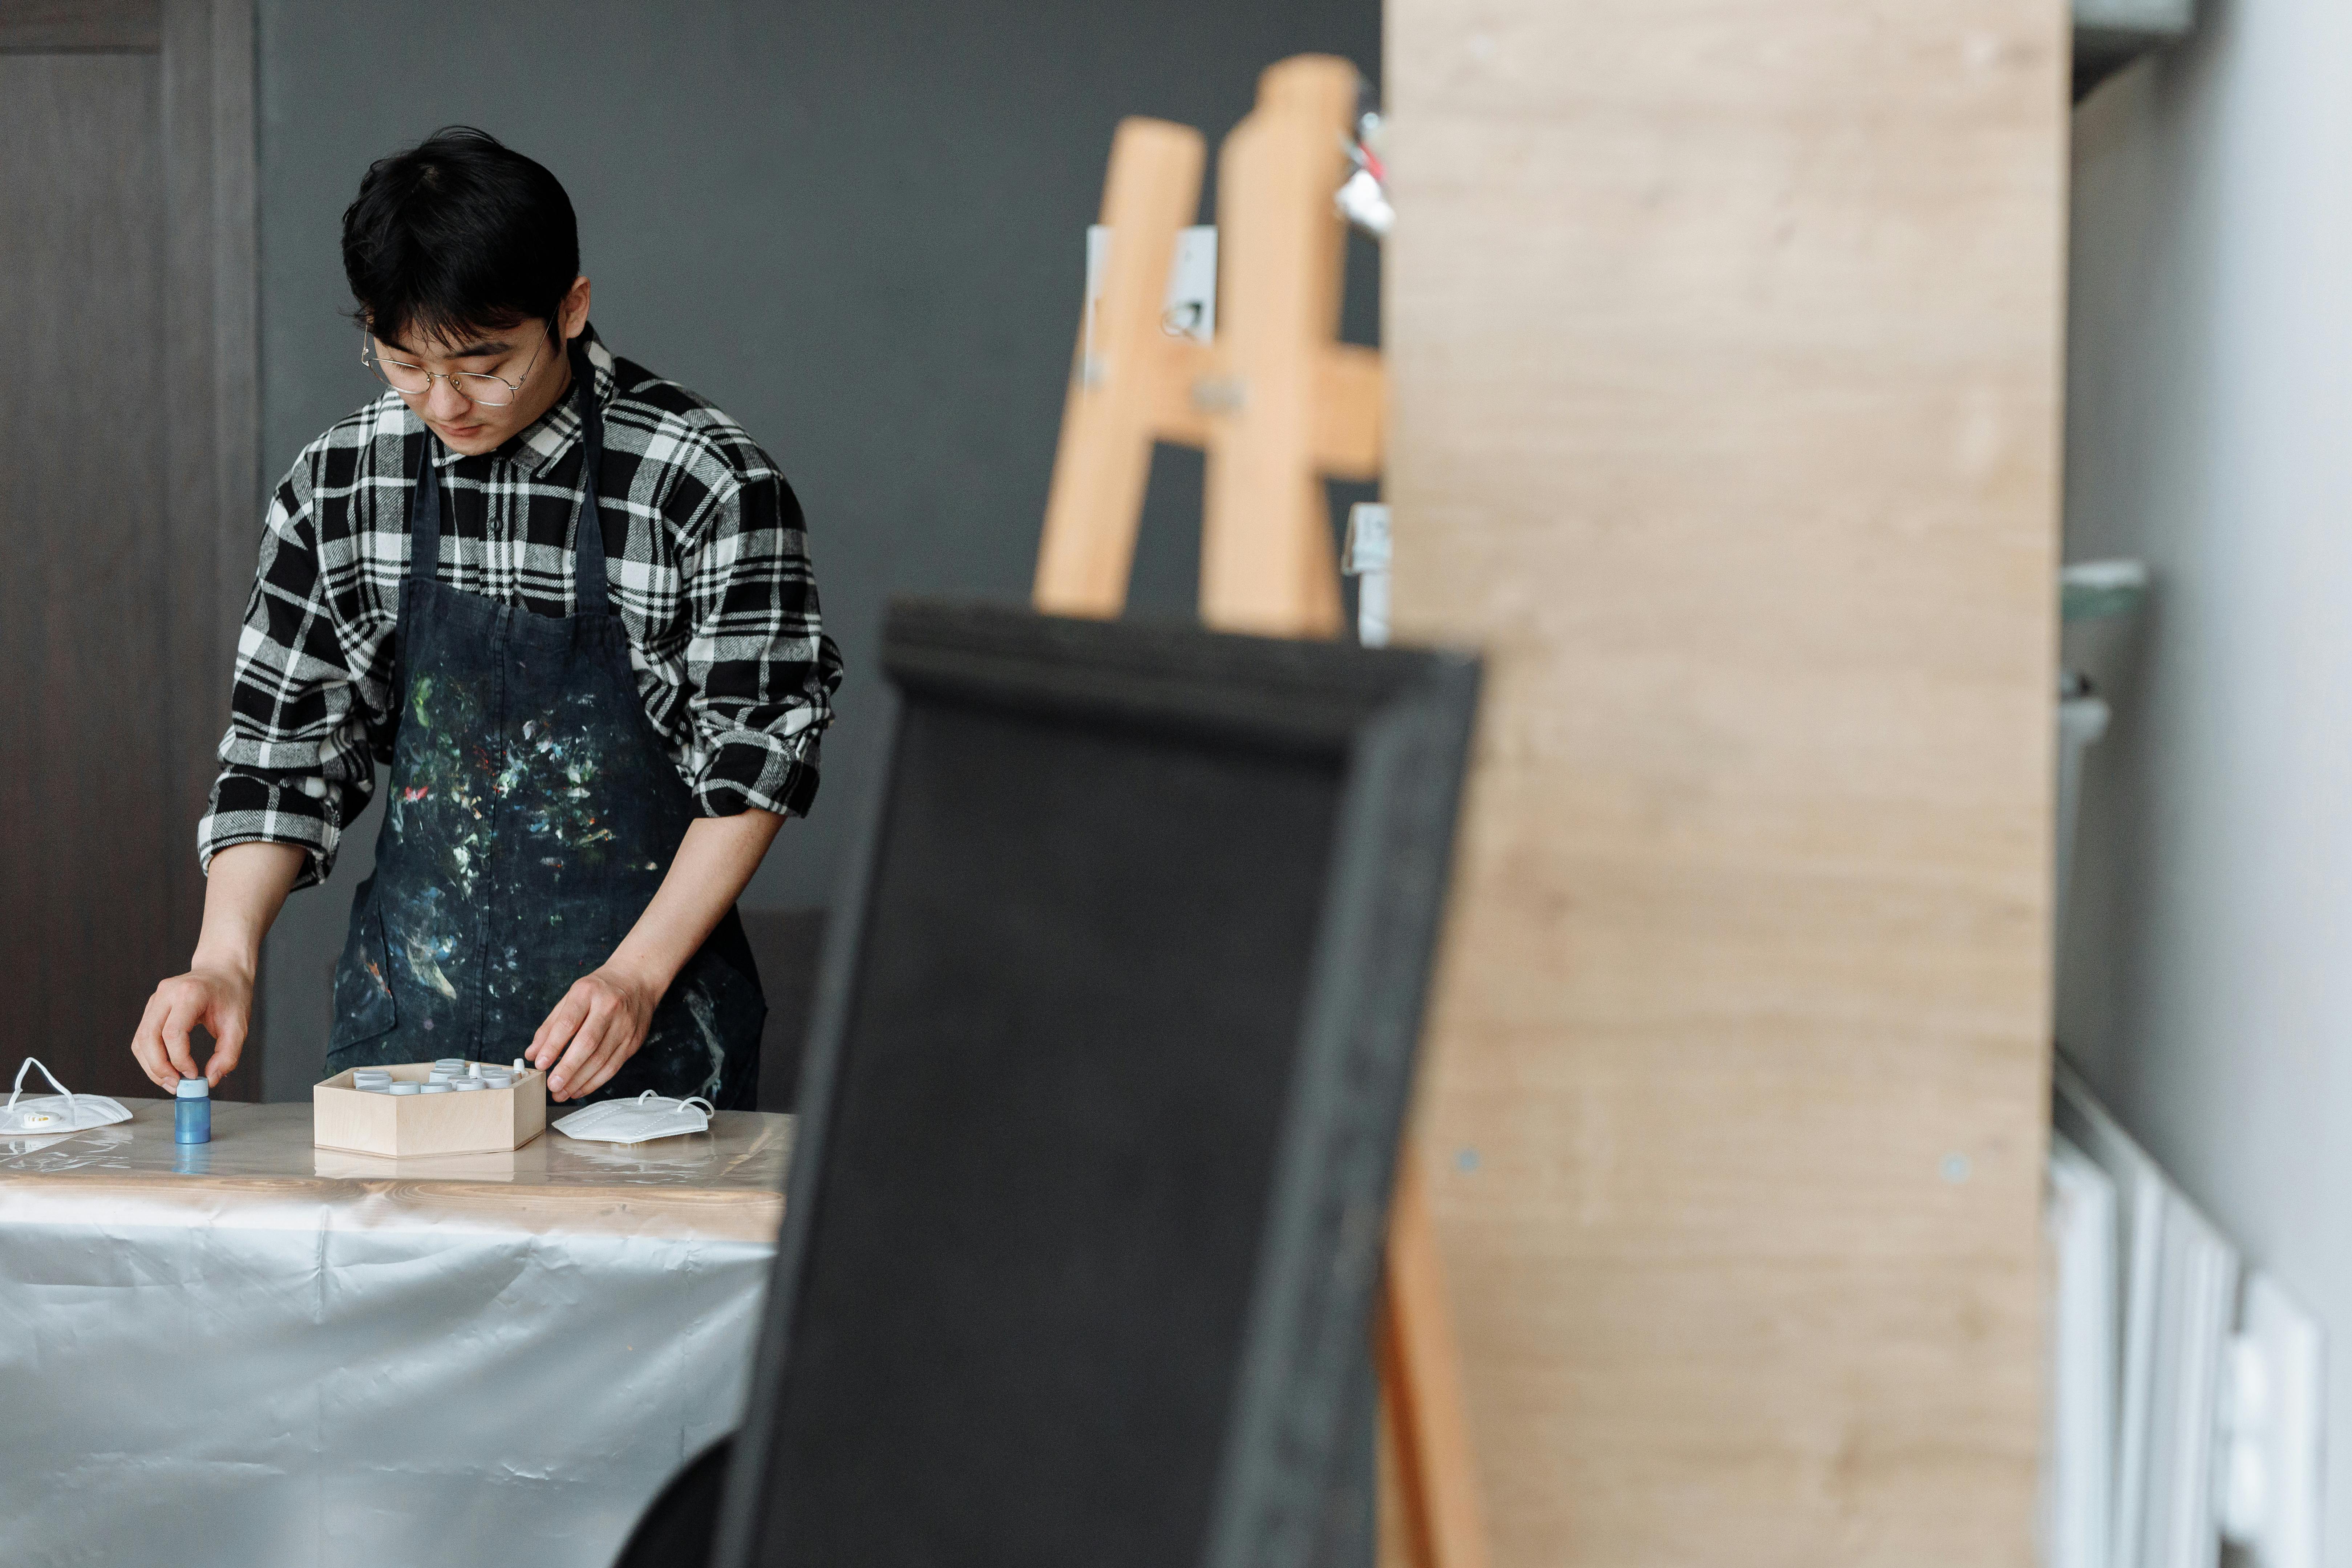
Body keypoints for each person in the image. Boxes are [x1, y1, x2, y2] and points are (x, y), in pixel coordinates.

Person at [129, 127, 840, 1110]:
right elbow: (283, 743)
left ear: (572, 308)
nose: (447, 402)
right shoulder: (341, 482)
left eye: (483, 361)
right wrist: (224, 960)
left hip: (645, 1034)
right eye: (404, 363)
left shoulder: (701, 481)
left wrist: (634, 978)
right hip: (406, 1031)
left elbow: (756, 758)